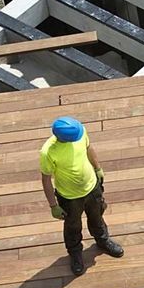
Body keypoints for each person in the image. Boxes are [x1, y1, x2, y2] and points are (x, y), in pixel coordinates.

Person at [39, 116, 123, 275]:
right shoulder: (48, 152)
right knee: (72, 226)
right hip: (69, 198)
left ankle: (103, 240)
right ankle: (75, 252)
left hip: (92, 188)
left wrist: (98, 168)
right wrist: (53, 206)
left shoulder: (79, 131)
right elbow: (46, 179)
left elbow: (89, 148)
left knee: (97, 217)